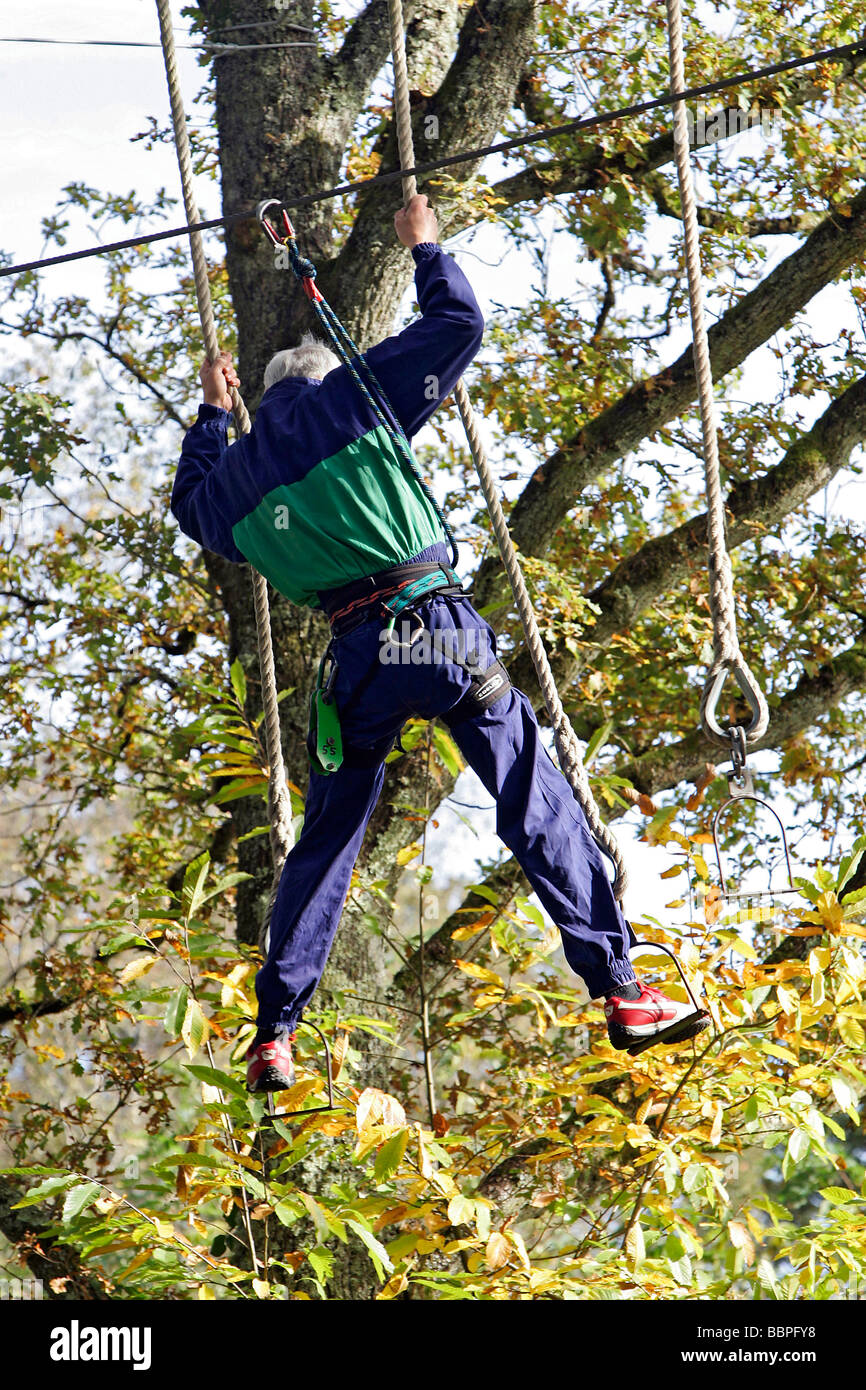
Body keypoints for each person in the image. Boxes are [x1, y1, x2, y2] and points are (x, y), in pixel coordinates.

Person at [171, 195, 707, 1090]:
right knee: (530, 796)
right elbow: (459, 324)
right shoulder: (353, 400)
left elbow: (192, 506)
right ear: (315, 378)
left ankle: (275, 1031)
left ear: (264, 402)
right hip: (435, 633)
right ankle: (619, 988)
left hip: (359, 667)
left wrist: (210, 417)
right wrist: (426, 248)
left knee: (327, 842)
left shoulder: (232, 488)